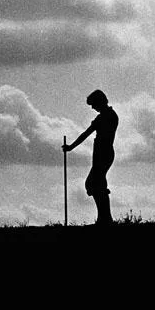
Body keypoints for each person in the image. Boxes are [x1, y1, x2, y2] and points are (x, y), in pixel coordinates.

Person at [63, 90, 119, 225]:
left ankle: (105, 219)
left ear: (99, 102)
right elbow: (87, 133)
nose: (93, 108)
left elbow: (86, 134)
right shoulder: (108, 115)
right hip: (102, 153)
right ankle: (105, 218)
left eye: (93, 105)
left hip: (103, 153)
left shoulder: (106, 116)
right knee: (97, 183)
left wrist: (71, 147)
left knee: (94, 183)